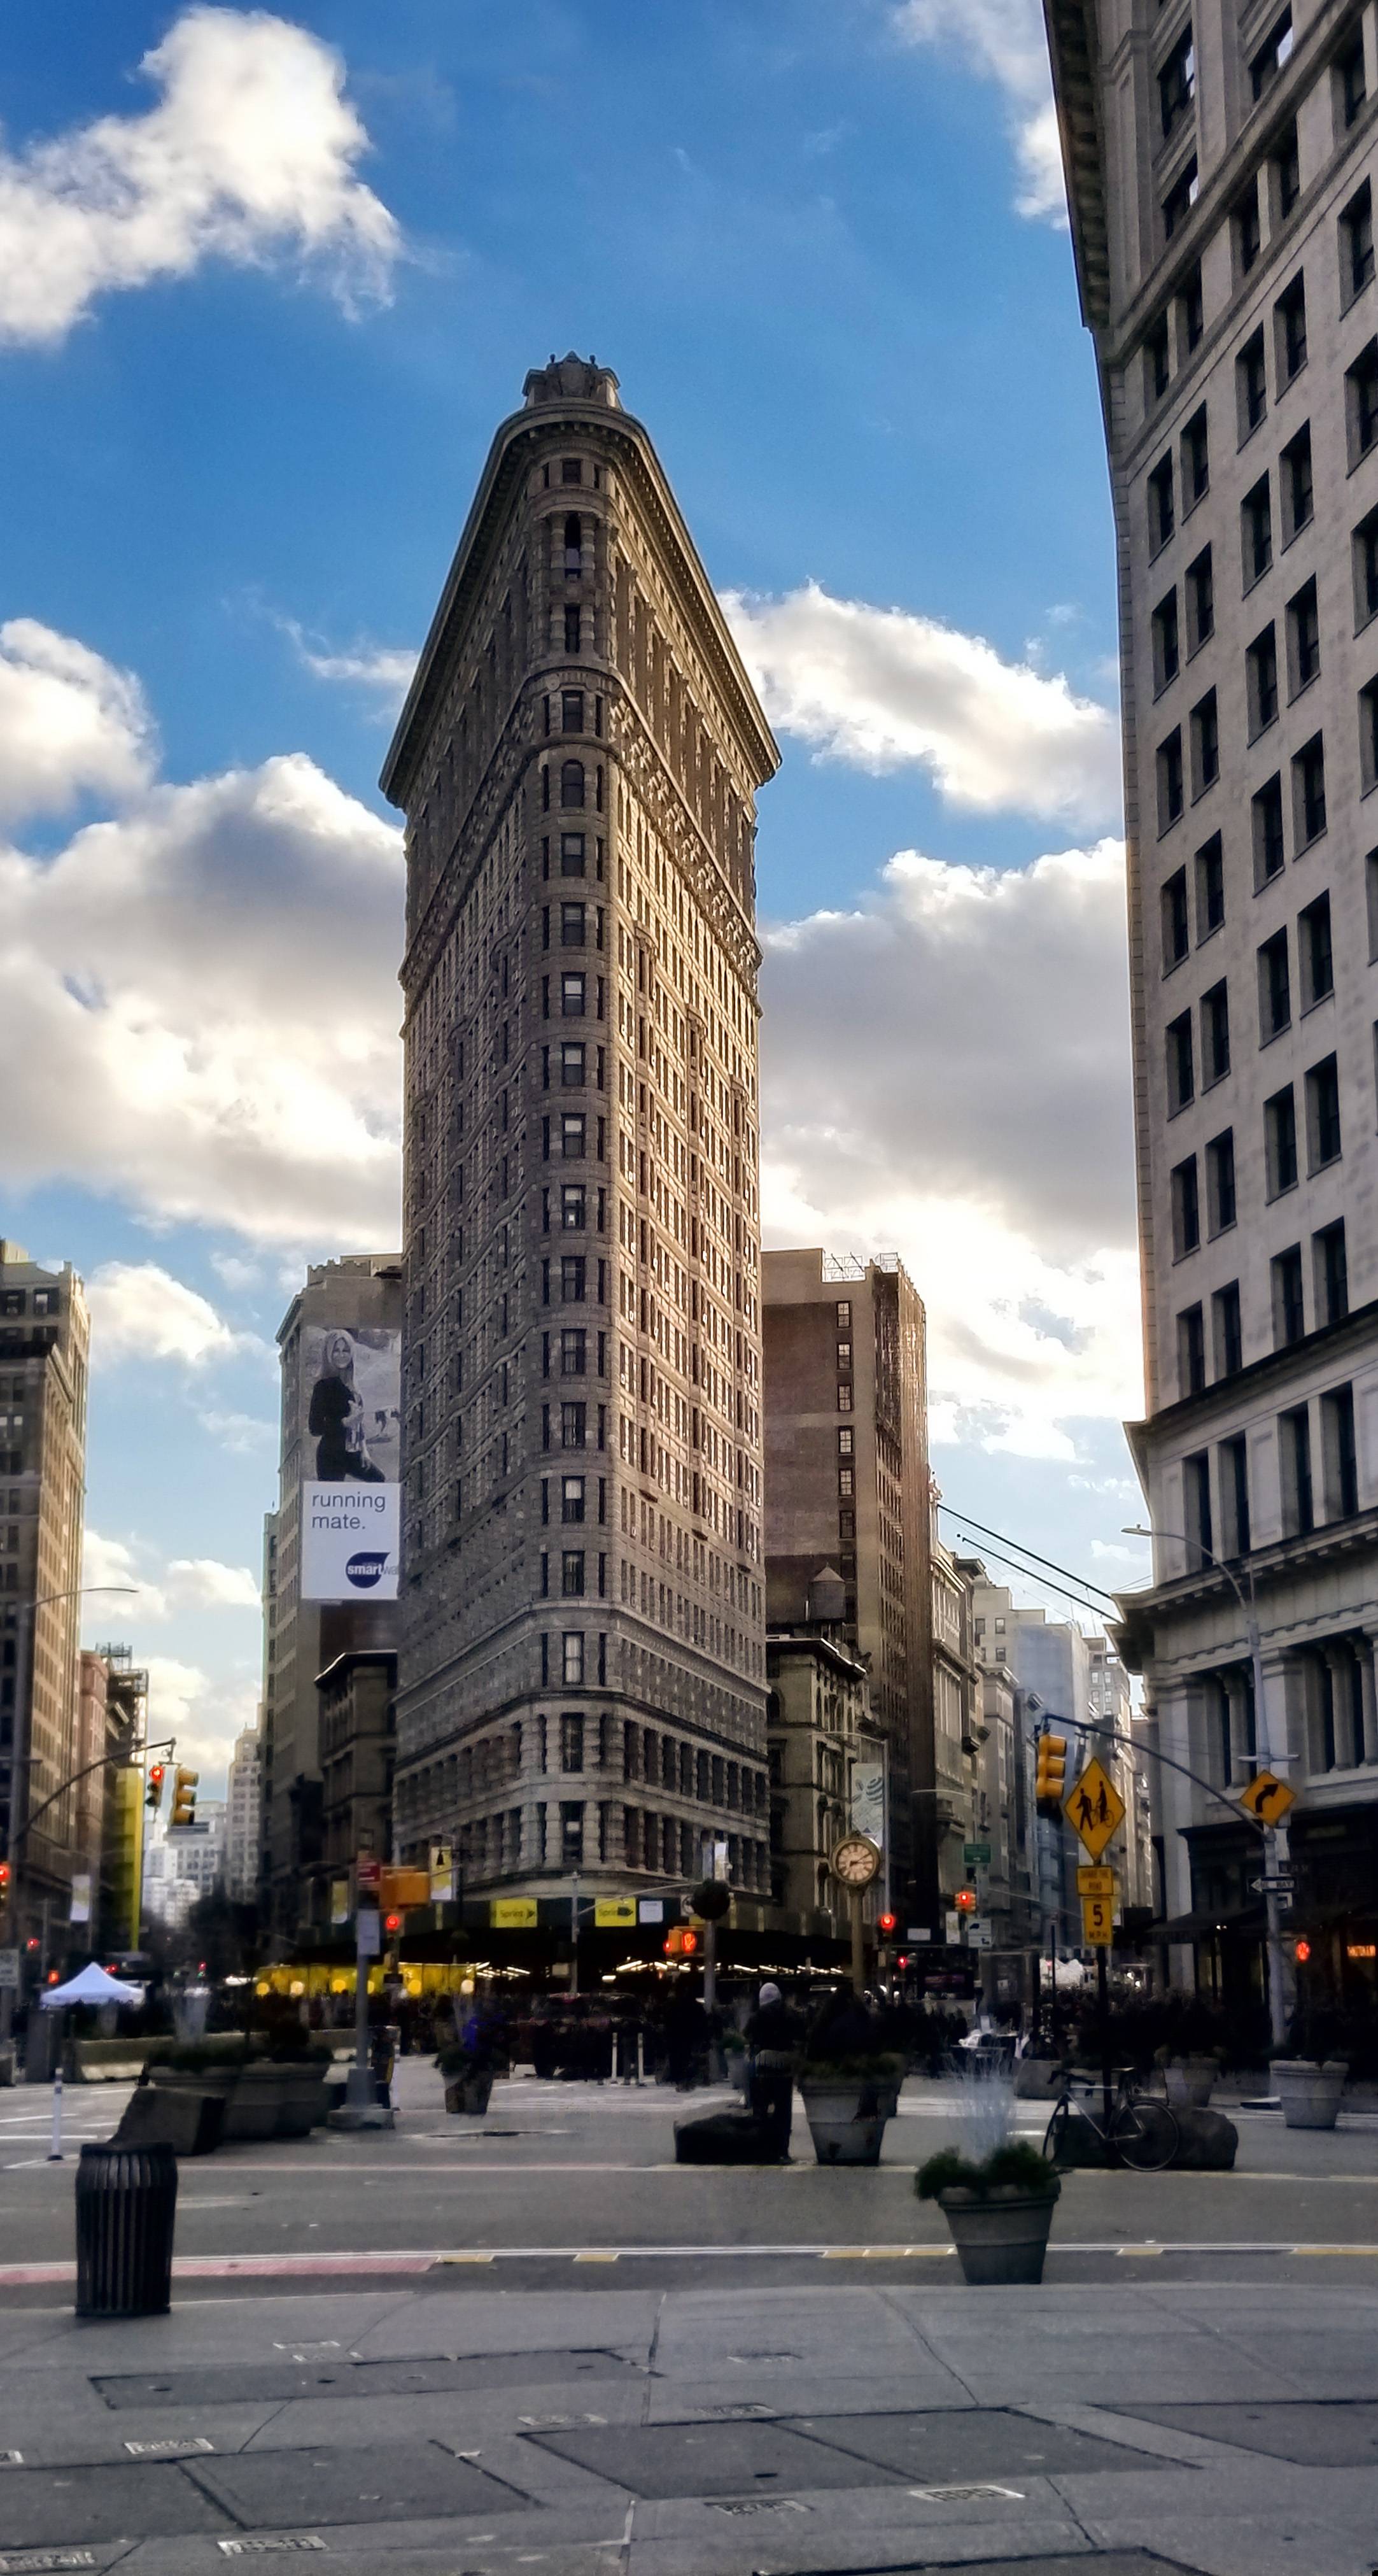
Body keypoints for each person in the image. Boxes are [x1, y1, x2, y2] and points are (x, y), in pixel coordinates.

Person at [309, 1331, 385, 1480]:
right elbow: (315, 1428)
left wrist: (365, 1451)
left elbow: (359, 1424)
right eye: (336, 1351)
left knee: (379, 1480)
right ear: (329, 1353)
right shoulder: (323, 1386)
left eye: (346, 1350)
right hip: (331, 1454)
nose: (341, 1355)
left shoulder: (354, 1387)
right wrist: (345, 1422)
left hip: (353, 1451)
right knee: (332, 1500)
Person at [745, 1979, 797, 2159]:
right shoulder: (790, 2014)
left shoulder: (758, 2016)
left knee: (760, 2108)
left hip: (763, 2067)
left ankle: (762, 2148)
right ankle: (783, 2150)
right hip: (785, 2068)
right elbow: (802, 2034)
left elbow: (747, 2034)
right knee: (784, 2110)